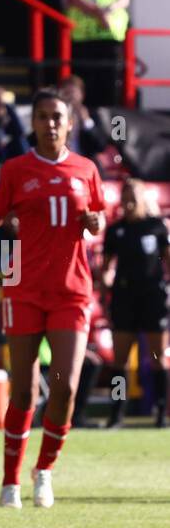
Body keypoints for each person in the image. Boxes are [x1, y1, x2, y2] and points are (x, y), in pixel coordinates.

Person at [0, 88, 105, 509]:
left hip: (71, 290)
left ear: (69, 122)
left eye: (57, 117)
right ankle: (10, 482)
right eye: (42, 116)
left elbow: (95, 220)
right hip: (23, 288)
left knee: (65, 388)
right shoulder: (15, 170)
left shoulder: (86, 169)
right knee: (23, 392)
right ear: (33, 123)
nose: (50, 124)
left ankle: (44, 471)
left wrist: (95, 222)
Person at [101, 179, 169, 427]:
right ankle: (117, 412)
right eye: (125, 198)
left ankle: (161, 412)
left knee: (157, 357)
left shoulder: (156, 227)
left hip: (153, 296)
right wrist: (105, 286)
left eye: (133, 198)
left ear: (143, 199)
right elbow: (106, 267)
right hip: (124, 297)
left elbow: (167, 262)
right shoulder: (116, 230)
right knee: (120, 361)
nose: (128, 203)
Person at [59, 0, 130, 108]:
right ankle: (85, 125)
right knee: (85, 87)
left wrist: (110, 9)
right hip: (84, 39)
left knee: (112, 87)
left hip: (111, 38)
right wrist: (101, 15)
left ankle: (113, 131)